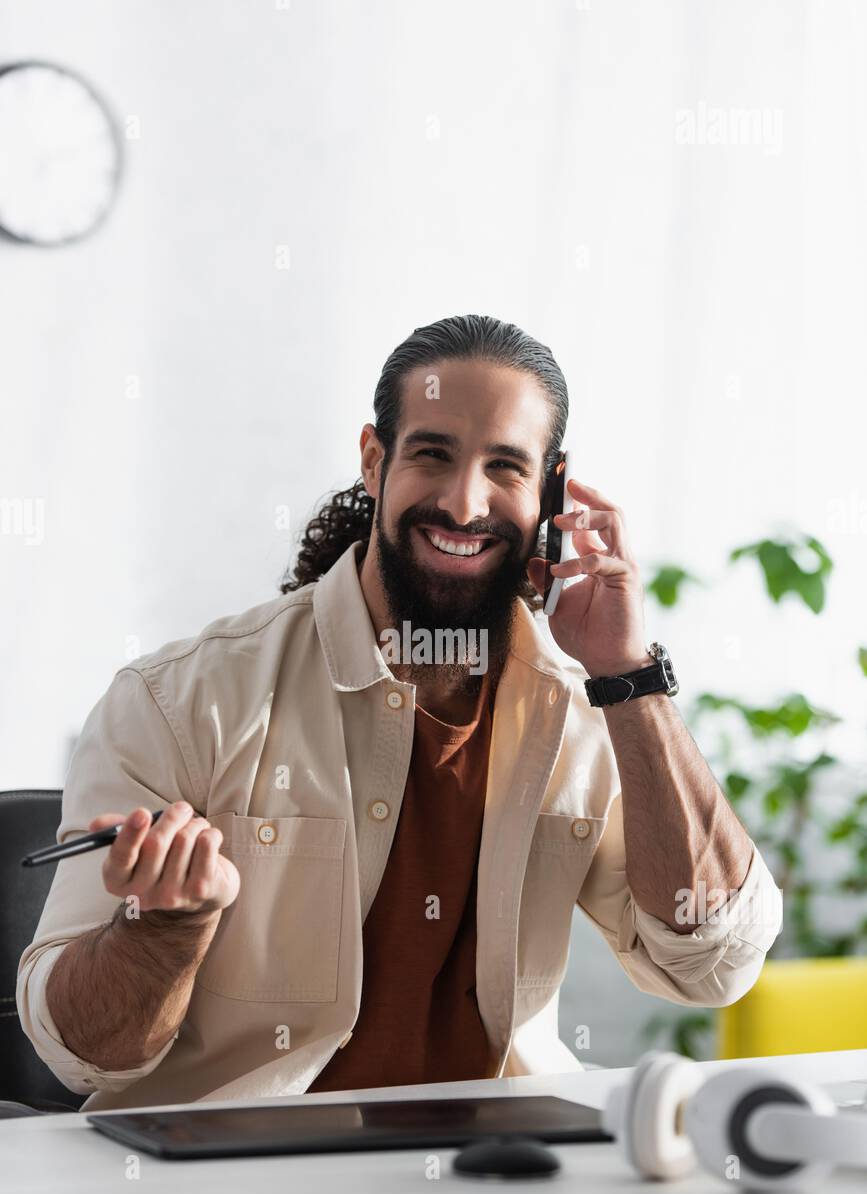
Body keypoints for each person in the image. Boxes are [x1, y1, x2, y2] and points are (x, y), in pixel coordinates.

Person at [17, 314, 783, 1111]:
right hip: (240, 1189)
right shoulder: (178, 702)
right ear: (374, 461)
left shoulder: (589, 705)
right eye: (432, 455)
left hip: (496, 1174)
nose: (463, 502)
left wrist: (628, 675)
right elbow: (85, 1058)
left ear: (552, 489)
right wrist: (160, 932)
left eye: (505, 467)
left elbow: (712, 966)